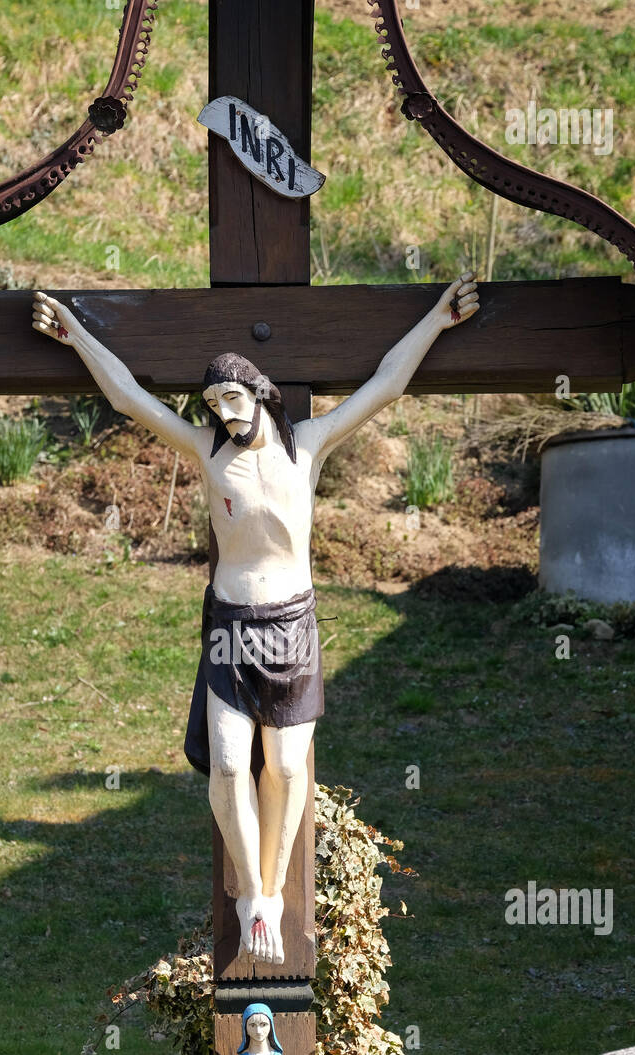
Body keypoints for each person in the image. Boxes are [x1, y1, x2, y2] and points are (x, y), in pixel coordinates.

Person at [32, 271, 479, 965]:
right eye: (212, 403)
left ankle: (271, 889)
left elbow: (386, 384)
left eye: (232, 398)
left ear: (261, 394)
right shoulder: (208, 452)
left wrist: (438, 320)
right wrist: (75, 335)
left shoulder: (308, 446)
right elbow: (127, 397)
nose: (222, 413)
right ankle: (252, 902)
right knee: (233, 766)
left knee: (290, 770)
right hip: (231, 626)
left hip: (291, 626)